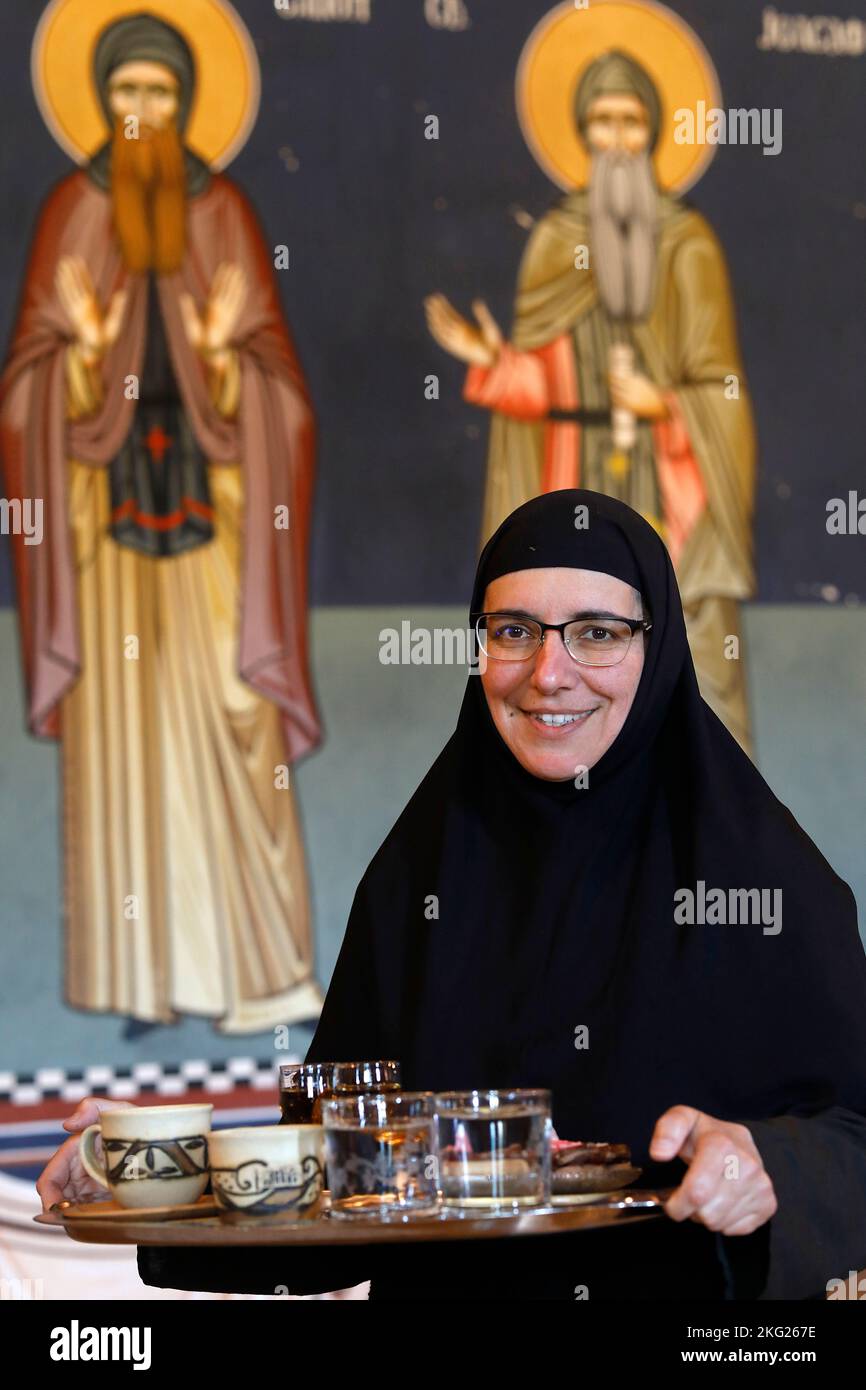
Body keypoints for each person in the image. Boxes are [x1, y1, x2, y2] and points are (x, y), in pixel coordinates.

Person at [40, 491, 866, 1300]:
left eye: (598, 634)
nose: (549, 673)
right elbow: (341, 1191)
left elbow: (856, 1138)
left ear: (661, 653)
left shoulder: (767, 883)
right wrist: (152, 1168)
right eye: (513, 632)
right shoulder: (416, 880)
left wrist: (771, 1165)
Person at [0, 12, 322, 1033]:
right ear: (102, 103)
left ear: (187, 106)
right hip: (102, 524)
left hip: (216, 512)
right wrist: (82, 358)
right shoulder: (72, 209)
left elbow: (284, 394)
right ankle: (144, 980)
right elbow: (24, 387)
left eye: (163, 95)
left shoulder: (224, 210)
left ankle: (262, 973)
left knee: (237, 719)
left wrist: (228, 356)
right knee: (126, 742)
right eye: (127, 94)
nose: (144, 114)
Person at [425, 49, 757, 755]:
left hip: (670, 491)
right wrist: (496, 363)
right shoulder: (555, 241)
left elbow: (721, 389)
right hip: (576, 480)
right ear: (580, 133)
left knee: (690, 669)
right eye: (602, 122)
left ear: (654, 132)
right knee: (570, 671)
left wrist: (667, 404)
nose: (616, 139)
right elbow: (545, 391)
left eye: (630, 122)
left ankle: (703, 837)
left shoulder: (688, 245)